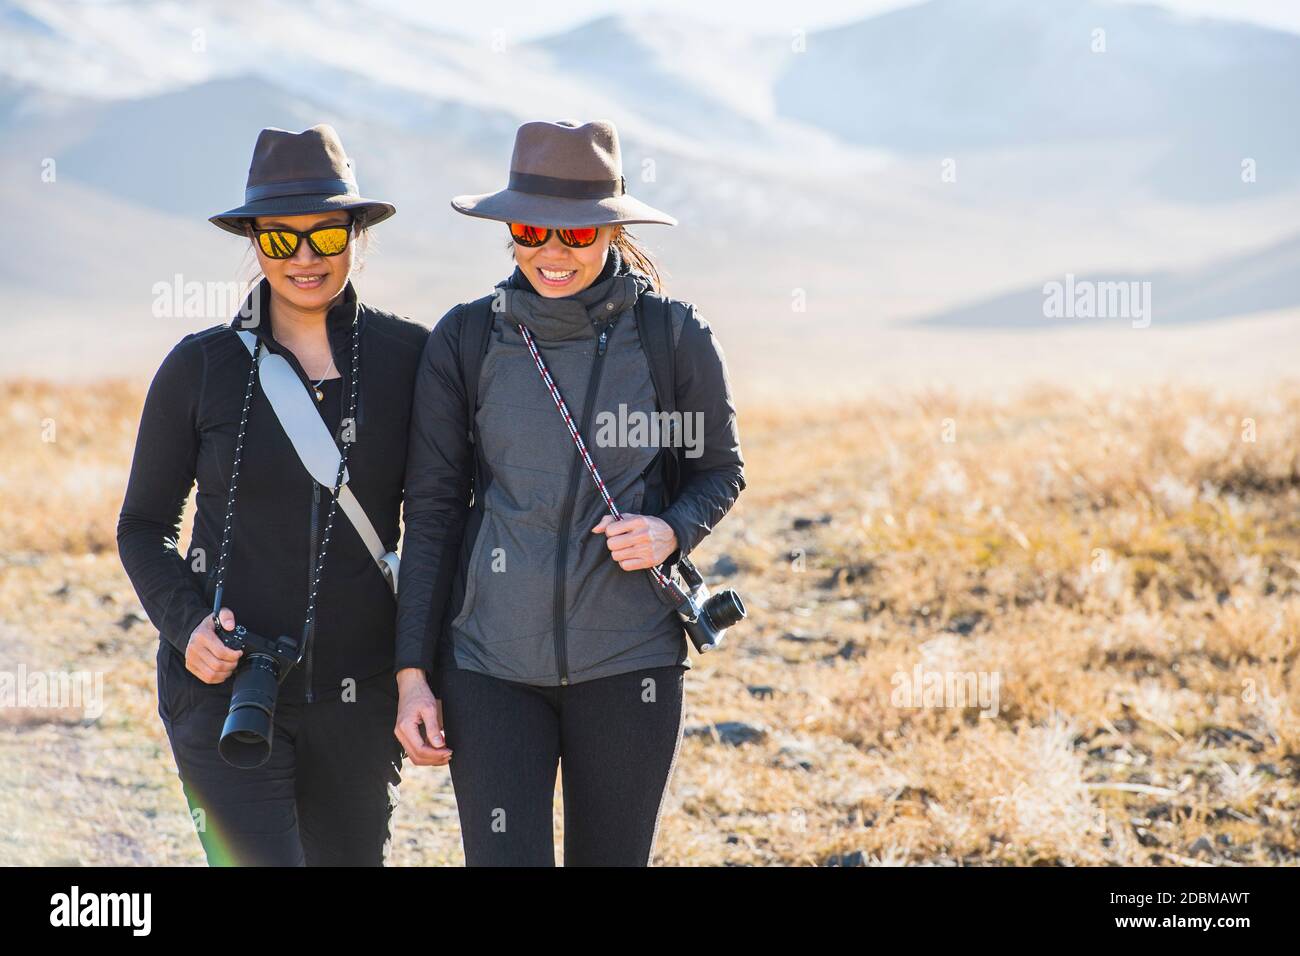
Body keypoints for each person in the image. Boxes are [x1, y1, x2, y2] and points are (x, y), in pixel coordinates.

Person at [394, 119, 746, 865]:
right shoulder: (463, 340)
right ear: (509, 230)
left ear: (612, 233)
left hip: (630, 667)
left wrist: (673, 529)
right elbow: (429, 518)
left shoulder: (671, 336)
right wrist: (411, 675)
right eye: (532, 229)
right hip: (488, 667)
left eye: (579, 235)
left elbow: (720, 469)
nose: (553, 252)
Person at [117, 124, 429, 866]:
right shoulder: (200, 368)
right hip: (226, 695)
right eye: (281, 240)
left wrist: (421, 672)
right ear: (254, 243)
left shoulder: (411, 360)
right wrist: (187, 627)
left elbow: (445, 520)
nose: (306, 258)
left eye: (325, 234)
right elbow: (142, 525)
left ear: (357, 233)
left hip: (359, 699)